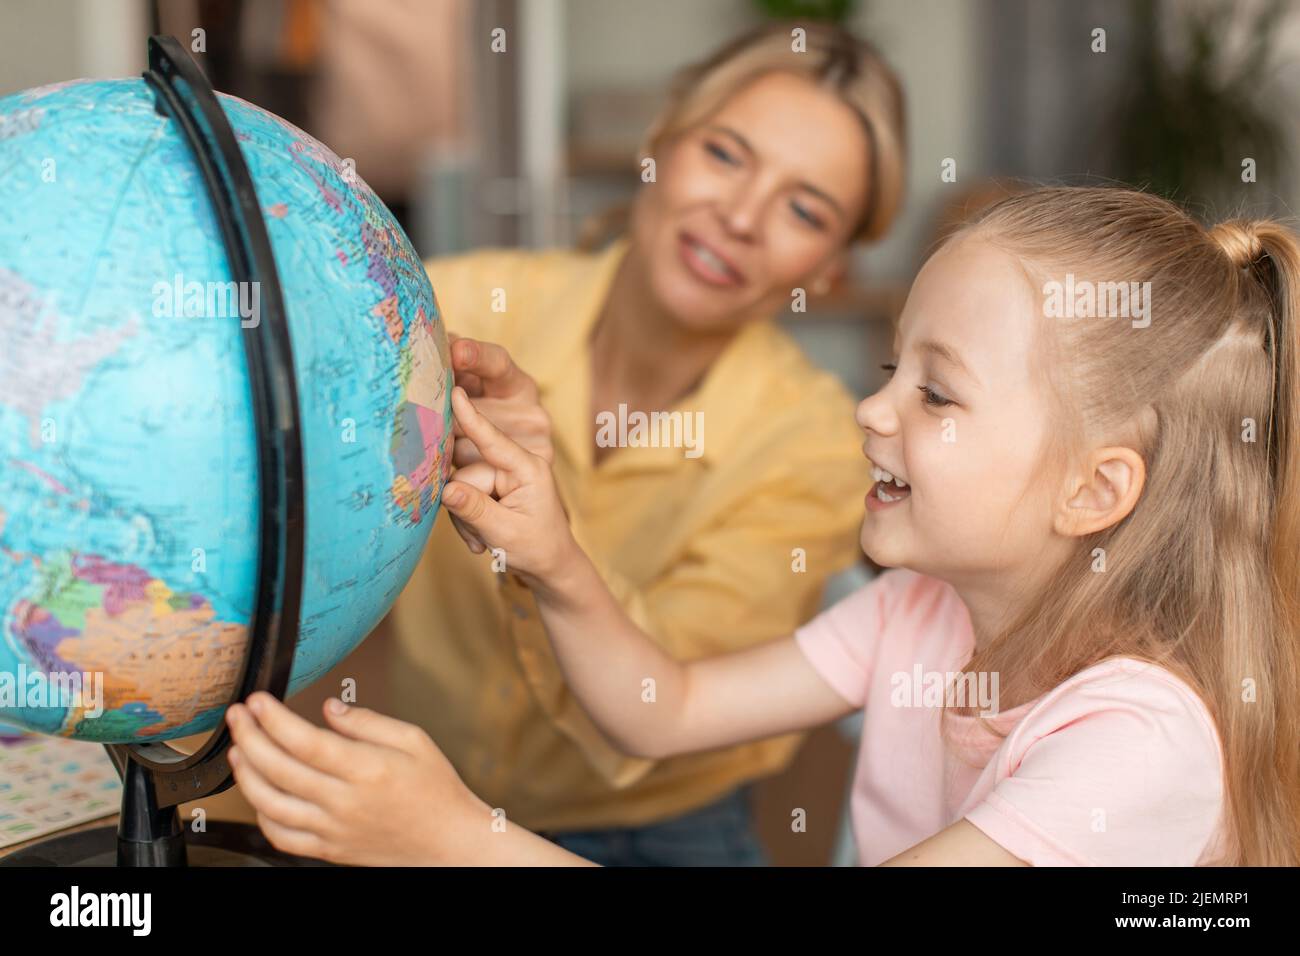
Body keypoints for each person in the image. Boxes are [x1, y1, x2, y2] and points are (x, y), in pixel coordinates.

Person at [227, 186, 1300, 866]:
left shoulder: (1137, 746)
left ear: (1092, 493)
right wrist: (553, 555)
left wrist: (465, 844)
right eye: (892, 368)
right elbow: (666, 706)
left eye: (937, 395)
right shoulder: (917, 613)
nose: (869, 409)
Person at [368, 22, 907, 865]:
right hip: (426, 792)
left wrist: (548, 532)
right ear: (661, 143)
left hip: (661, 837)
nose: (739, 216)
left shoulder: (815, 448)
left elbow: (657, 708)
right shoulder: (463, 305)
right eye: (726, 155)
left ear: (831, 267)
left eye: (805, 209)